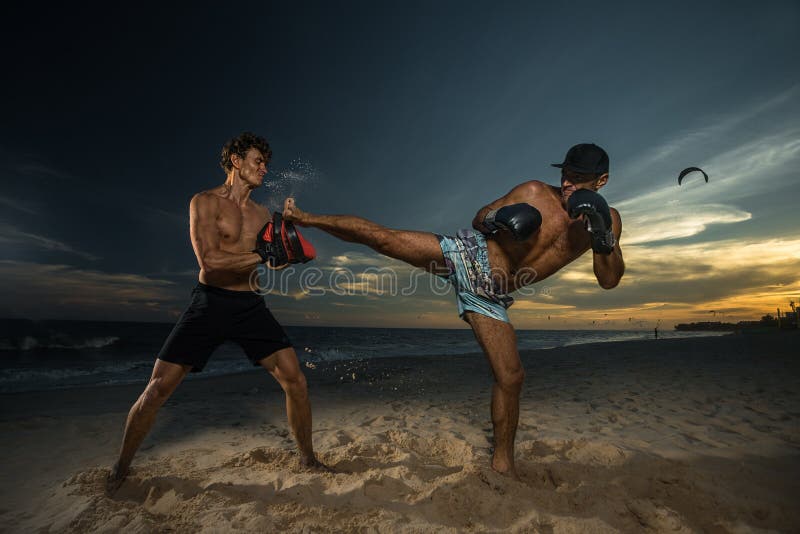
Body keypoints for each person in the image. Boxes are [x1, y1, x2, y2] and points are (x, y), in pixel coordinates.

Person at [282, 143, 625, 478]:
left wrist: (602, 235)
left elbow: (609, 280)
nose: (567, 183)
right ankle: (305, 217)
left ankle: (503, 467)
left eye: (577, 177)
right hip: (465, 255)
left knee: (511, 377)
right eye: (565, 174)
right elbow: (479, 218)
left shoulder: (607, 220)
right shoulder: (534, 191)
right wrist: (498, 219)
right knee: (384, 238)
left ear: (601, 181)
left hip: (489, 296)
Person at [106, 132, 324, 494]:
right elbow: (210, 260)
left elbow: (273, 262)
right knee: (157, 389)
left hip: (250, 305)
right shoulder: (204, 202)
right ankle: (120, 468)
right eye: (258, 161)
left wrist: (290, 251)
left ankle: (308, 459)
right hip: (209, 304)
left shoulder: (262, 215)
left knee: (295, 380)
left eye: (266, 163)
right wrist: (264, 254)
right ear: (236, 161)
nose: (264, 169)